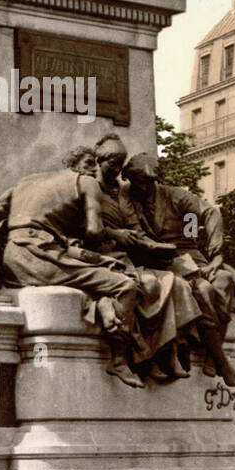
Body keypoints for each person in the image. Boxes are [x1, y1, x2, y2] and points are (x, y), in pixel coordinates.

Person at [0, 164, 144, 386]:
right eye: (94, 163)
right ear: (85, 167)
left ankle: (101, 304)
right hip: (43, 258)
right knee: (124, 283)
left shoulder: (27, 179)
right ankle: (118, 359)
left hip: (12, 260)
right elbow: (94, 231)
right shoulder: (86, 181)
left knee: (84, 274)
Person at [121, 154, 235, 388]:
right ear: (130, 179)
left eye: (149, 181)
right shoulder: (126, 198)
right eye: (138, 181)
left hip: (191, 258)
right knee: (202, 290)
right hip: (159, 262)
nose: (144, 186)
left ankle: (213, 355)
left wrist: (216, 254)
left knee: (224, 279)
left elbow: (210, 213)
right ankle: (221, 361)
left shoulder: (174, 195)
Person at [88, 134, 205, 384]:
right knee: (150, 284)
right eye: (112, 163)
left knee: (178, 283)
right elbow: (89, 228)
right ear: (99, 161)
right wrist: (115, 235)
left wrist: (157, 247)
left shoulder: (122, 193)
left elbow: (134, 227)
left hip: (129, 257)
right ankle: (146, 356)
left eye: (120, 164)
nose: (116, 170)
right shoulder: (88, 188)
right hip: (104, 258)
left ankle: (168, 351)